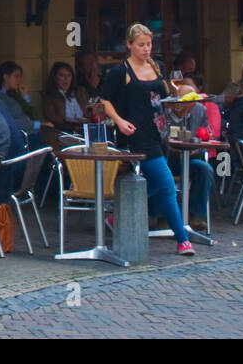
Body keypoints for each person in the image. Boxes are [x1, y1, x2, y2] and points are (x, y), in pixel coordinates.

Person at [98, 23, 194, 255]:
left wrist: (180, 103)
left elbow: (163, 98)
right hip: (135, 134)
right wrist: (119, 121)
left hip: (158, 132)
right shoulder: (121, 71)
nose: (146, 49)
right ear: (129, 45)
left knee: (154, 185)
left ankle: (116, 215)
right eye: (141, 45)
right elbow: (104, 100)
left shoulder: (158, 66)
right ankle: (182, 240)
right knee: (168, 185)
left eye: (149, 44)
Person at [156, 84, 214, 231]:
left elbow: (205, 136)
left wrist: (195, 149)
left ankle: (195, 216)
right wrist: (172, 147)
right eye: (179, 101)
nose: (180, 105)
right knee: (159, 170)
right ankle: (163, 217)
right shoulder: (163, 109)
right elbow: (159, 136)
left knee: (205, 169)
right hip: (166, 156)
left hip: (189, 157)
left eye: (187, 102)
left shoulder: (200, 111)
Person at [41, 62, 88, 133]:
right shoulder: (50, 96)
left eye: (69, 75)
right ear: (55, 77)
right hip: (66, 130)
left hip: (85, 127)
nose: (66, 79)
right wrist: (73, 126)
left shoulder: (80, 92)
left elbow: (90, 109)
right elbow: (52, 117)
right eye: (62, 75)